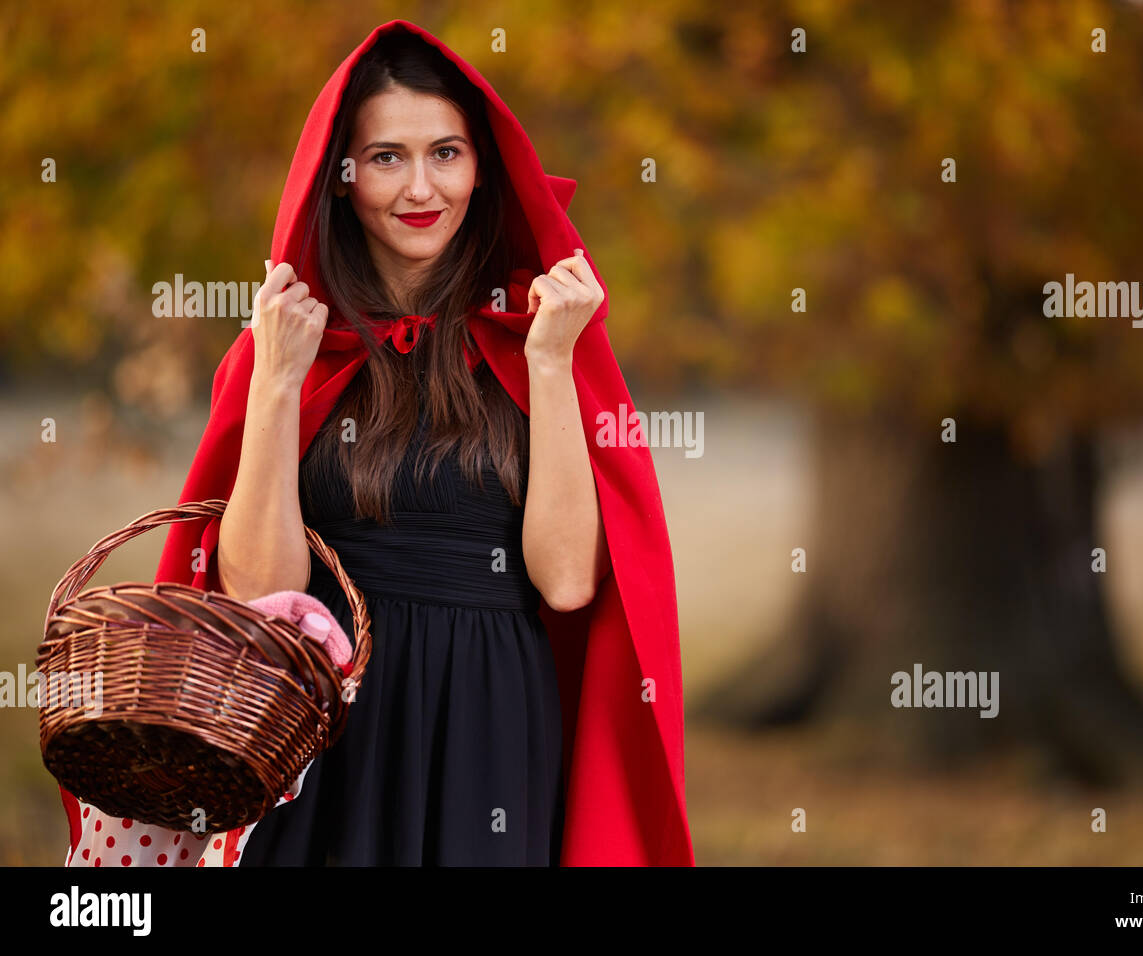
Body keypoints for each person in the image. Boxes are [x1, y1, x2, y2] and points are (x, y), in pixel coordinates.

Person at [55, 20, 694, 867]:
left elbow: (568, 581)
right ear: (342, 178)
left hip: (489, 726)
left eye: (447, 153)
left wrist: (549, 361)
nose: (420, 186)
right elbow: (257, 586)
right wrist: (277, 380)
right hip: (322, 724)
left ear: (483, 167)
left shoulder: (535, 340)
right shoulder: (284, 345)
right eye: (386, 157)